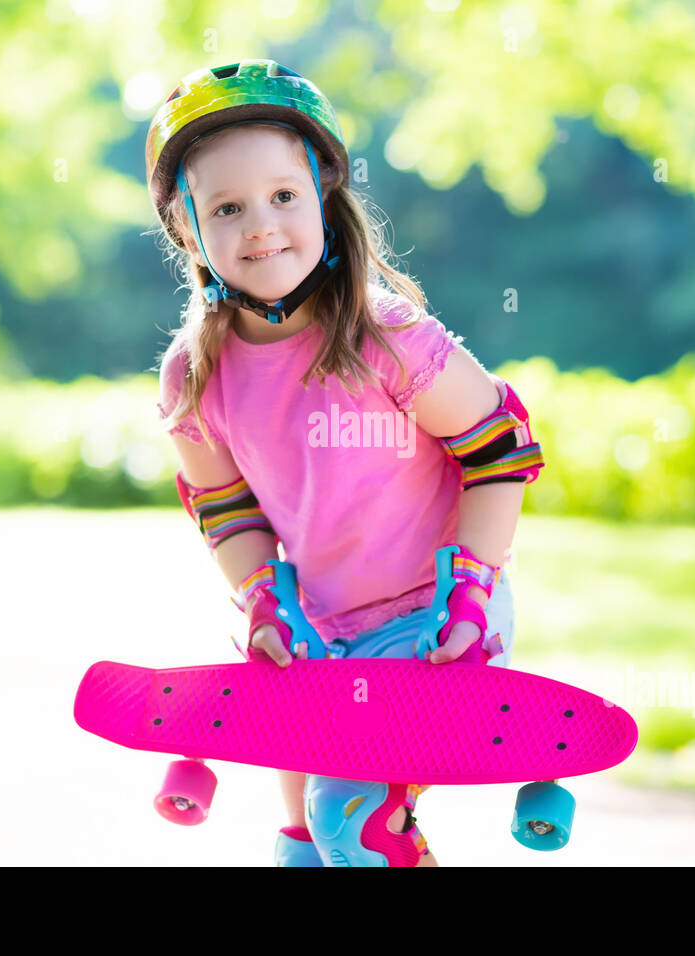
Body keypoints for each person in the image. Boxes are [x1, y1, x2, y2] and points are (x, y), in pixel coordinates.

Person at [149, 60, 545, 866]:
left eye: (284, 196)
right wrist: (263, 602)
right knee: (301, 840)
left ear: (323, 198)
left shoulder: (384, 335)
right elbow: (225, 510)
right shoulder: (193, 377)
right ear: (188, 230)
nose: (261, 224)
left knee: (353, 823)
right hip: (324, 640)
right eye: (227, 207)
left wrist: (469, 593)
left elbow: (501, 446)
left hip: (439, 619)